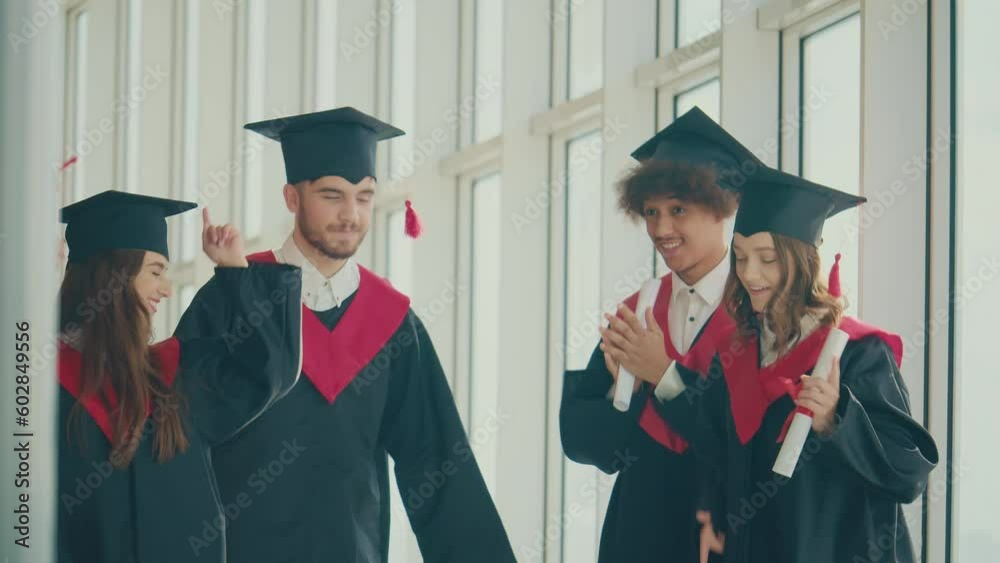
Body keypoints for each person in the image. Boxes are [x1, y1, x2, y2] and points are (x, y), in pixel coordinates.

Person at [175, 107, 515, 562]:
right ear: (292, 198)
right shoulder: (229, 299)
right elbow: (179, 438)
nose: (351, 214)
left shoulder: (393, 323)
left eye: (364, 196)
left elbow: (436, 463)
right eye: (332, 195)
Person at [659, 167, 938, 563]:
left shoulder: (858, 354)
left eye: (767, 259)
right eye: (739, 257)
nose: (749, 273)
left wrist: (836, 418)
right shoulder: (740, 353)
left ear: (803, 261)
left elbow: (908, 473)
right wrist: (663, 376)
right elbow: (712, 443)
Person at [56, 190, 302, 563]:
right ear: (114, 278)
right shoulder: (36, 388)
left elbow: (269, 372)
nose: (167, 289)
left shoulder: (176, 375)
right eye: (156, 271)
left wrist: (234, 271)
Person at [561, 107, 761, 562]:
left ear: (723, 208)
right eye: (651, 212)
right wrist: (619, 386)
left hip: (725, 529)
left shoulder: (756, 315)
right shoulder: (640, 310)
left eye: (678, 211)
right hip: (639, 528)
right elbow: (589, 447)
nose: (660, 230)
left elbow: (747, 449)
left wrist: (664, 373)